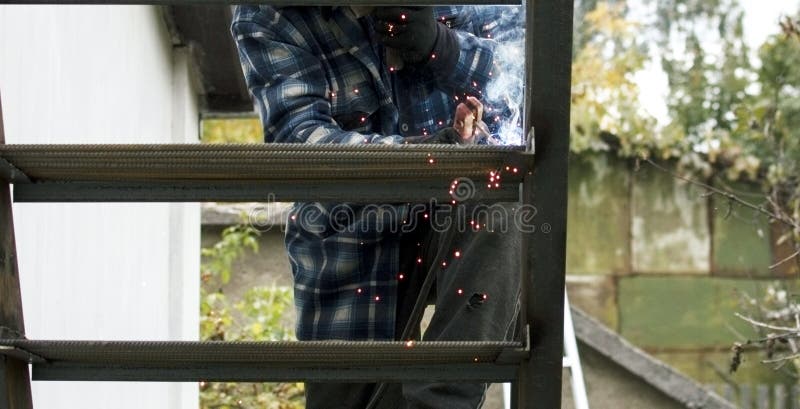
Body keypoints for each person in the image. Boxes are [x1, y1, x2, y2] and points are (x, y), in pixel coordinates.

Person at [232, 5, 523, 408]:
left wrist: (444, 48)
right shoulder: (271, 14)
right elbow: (298, 142)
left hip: (451, 211)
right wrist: (429, 156)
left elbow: (526, 80)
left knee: (499, 208)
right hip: (348, 243)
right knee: (350, 398)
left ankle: (445, 400)